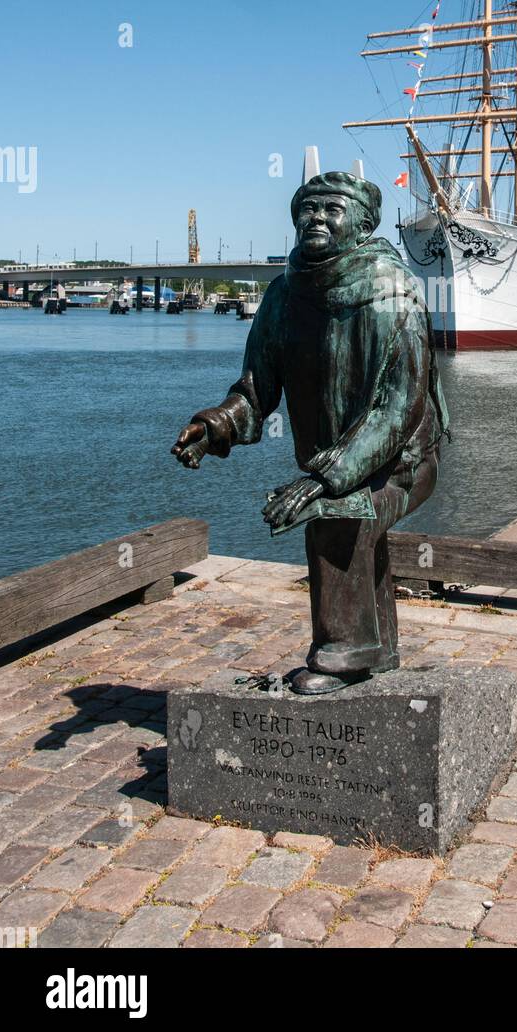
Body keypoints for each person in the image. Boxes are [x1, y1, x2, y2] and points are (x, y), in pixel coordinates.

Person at [172, 172, 448, 695]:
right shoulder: (281, 296)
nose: (316, 218)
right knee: (351, 518)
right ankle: (379, 648)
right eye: (308, 209)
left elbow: (400, 407)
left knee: (339, 516)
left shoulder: (392, 291)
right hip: (337, 464)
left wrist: (325, 479)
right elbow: (256, 391)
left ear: (363, 225)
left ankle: (343, 657)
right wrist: (216, 426)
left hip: (404, 463)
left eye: (331, 210)